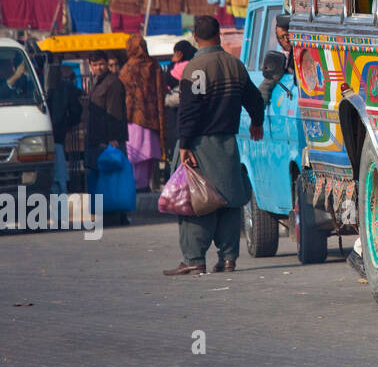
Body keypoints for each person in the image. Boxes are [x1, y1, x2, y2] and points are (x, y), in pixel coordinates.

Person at [164, 15, 264, 277]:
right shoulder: (235, 65)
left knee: (195, 202)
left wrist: (184, 144)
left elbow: (189, 111)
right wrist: (257, 122)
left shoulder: (195, 68)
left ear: (195, 37)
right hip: (228, 144)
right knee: (229, 201)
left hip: (199, 145)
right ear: (219, 34)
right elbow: (254, 99)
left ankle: (194, 259)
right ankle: (228, 258)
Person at [119, 34, 167, 192]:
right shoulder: (154, 66)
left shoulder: (126, 69)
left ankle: (135, 186)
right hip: (152, 118)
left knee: (134, 156)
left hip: (132, 119)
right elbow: (161, 93)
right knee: (148, 155)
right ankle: (144, 185)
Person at [84, 51, 126, 174]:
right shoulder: (98, 82)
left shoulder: (112, 82)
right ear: (90, 66)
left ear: (107, 64)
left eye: (101, 64)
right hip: (97, 137)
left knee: (111, 176)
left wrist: (113, 138)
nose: (98, 68)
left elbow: (115, 111)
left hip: (109, 140)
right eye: (95, 65)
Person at [45, 61, 82, 195]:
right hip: (58, 136)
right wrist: (66, 124)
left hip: (37, 138)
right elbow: (76, 111)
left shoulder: (30, 84)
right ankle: (60, 208)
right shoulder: (65, 86)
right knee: (59, 177)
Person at [259, 14, 296, 105]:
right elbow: (265, 88)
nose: (286, 40)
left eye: (288, 35)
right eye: (281, 37)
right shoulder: (281, 58)